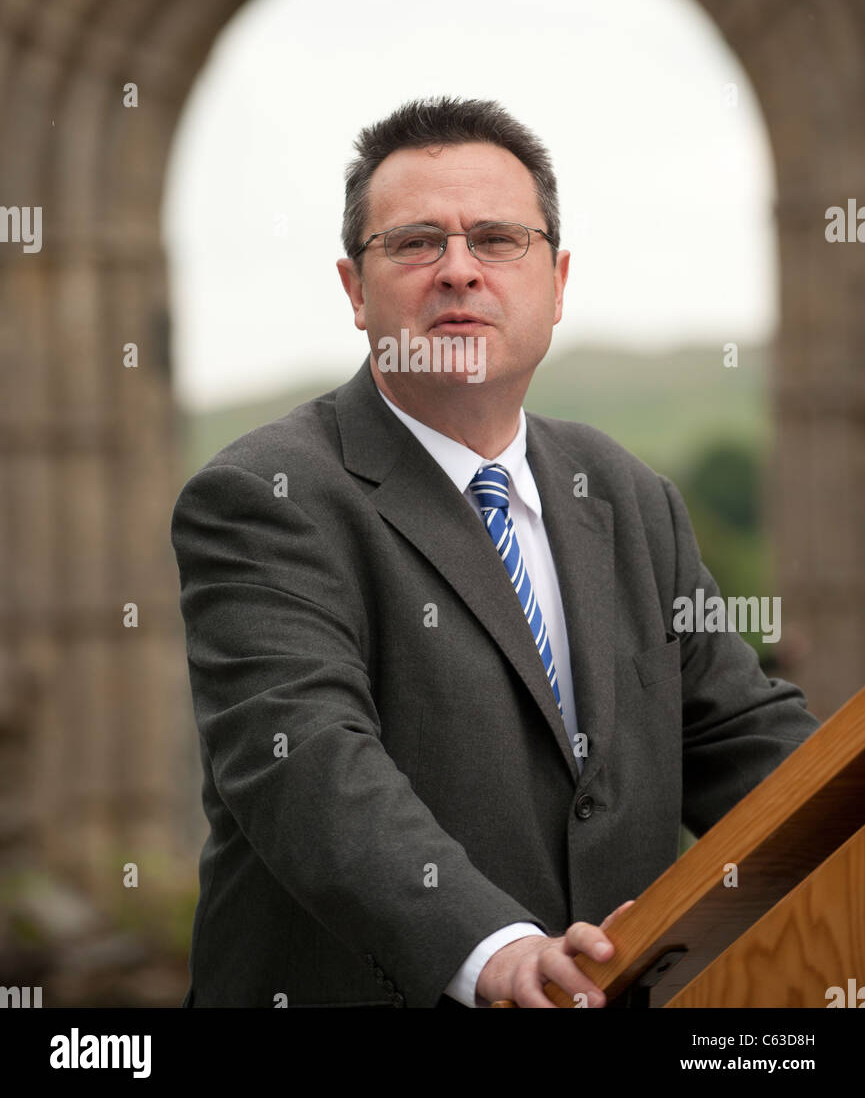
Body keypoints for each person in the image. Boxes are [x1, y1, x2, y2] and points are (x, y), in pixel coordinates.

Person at [171, 95, 820, 1009]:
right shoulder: (263, 498)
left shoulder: (627, 494)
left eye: (496, 240)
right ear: (356, 293)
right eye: (415, 243)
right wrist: (496, 948)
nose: (458, 272)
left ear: (556, 280)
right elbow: (309, 763)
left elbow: (734, 734)